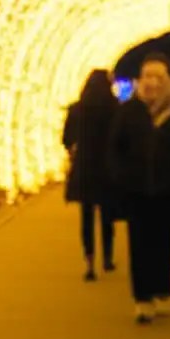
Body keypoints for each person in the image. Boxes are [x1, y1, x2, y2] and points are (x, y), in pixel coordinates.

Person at [107, 52, 170, 324]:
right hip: (136, 190)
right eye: (148, 76)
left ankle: (159, 285)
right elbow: (115, 149)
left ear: (168, 81)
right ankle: (142, 298)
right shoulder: (128, 111)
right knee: (138, 243)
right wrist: (120, 179)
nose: (153, 83)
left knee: (162, 241)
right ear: (139, 80)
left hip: (168, 191)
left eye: (159, 77)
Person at [62, 69, 120, 281]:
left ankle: (89, 261)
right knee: (107, 215)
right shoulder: (114, 108)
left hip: (85, 167)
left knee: (86, 217)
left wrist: (74, 151)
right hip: (108, 168)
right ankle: (108, 257)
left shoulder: (77, 109)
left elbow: (67, 138)